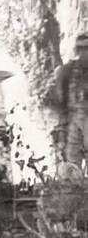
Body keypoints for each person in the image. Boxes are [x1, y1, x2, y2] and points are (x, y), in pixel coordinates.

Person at [44, 34, 88, 172]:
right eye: (81, 49)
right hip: (73, 120)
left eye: (87, 48)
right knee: (71, 162)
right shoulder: (67, 71)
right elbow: (58, 101)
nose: (84, 53)